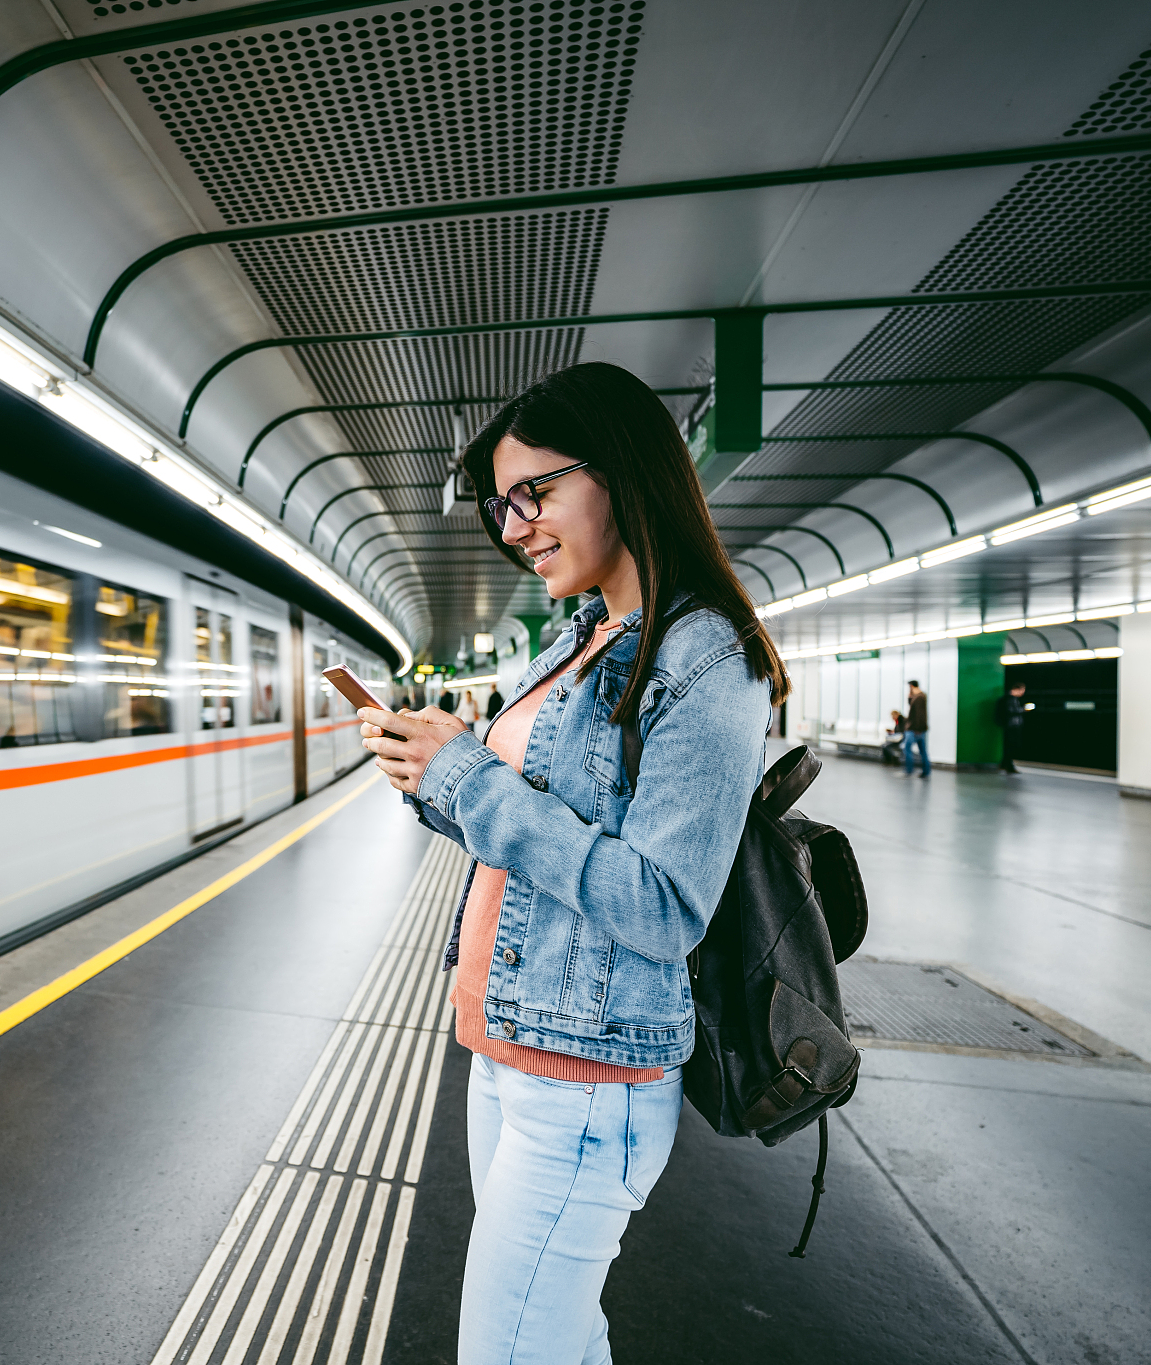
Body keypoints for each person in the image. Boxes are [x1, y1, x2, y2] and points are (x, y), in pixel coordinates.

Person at [356, 362, 785, 1365]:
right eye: (502, 507)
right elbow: (517, 837)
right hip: (501, 1044)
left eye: (533, 493)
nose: (513, 529)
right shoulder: (572, 643)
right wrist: (431, 779)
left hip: (587, 1076)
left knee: (506, 1352)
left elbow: (662, 904)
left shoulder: (705, 661)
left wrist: (468, 780)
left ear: (623, 475)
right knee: (547, 1343)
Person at [995, 681, 1027, 774]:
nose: (1023, 693)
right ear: (1017, 689)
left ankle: (1005, 764)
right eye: (1022, 690)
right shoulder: (1010, 699)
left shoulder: (1006, 698)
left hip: (1008, 725)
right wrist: (1023, 710)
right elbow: (1012, 712)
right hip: (1011, 726)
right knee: (1011, 746)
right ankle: (1008, 766)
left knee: (1008, 746)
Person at [902, 680, 930, 778]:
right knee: (922, 750)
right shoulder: (919, 696)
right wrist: (909, 698)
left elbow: (919, 714)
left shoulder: (919, 697)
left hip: (914, 728)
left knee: (907, 748)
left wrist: (918, 729)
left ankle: (909, 770)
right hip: (917, 728)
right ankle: (926, 771)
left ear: (911, 686)